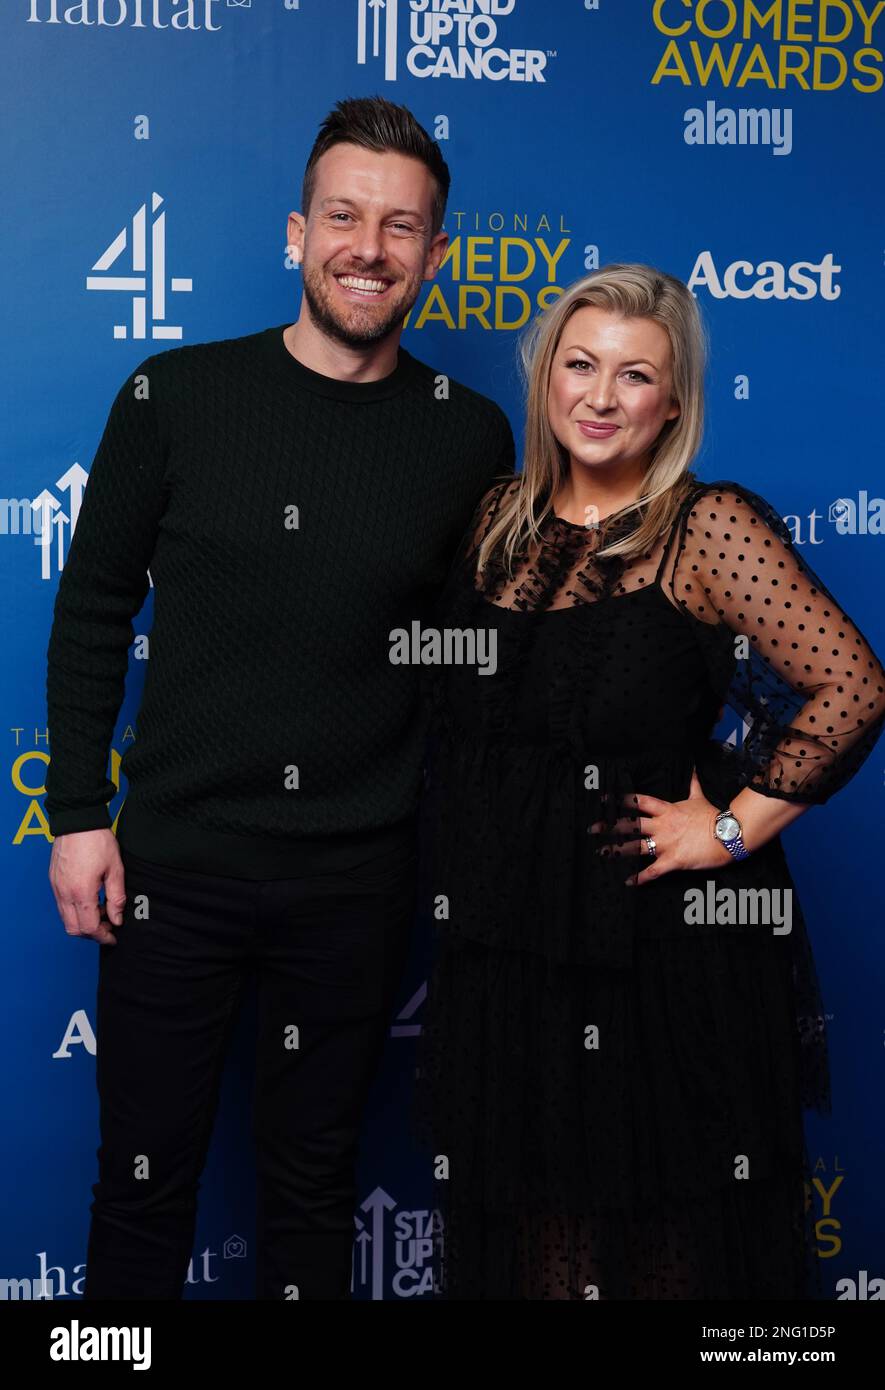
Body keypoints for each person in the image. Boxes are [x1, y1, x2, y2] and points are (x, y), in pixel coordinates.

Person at [44, 95, 514, 1300]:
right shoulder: (176, 397)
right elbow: (95, 606)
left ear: (435, 256)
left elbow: (482, 658)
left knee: (313, 1184)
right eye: (346, 216)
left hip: (355, 880)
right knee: (141, 1185)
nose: (371, 246)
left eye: (402, 226)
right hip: (175, 868)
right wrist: (80, 816)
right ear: (298, 233)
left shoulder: (471, 438)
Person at [411, 262, 885, 1300]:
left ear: (673, 402)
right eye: (580, 364)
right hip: (508, 956)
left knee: (670, 1243)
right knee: (538, 1247)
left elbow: (852, 687)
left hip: (655, 961)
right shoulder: (496, 521)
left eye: (635, 375)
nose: (600, 394)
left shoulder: (705, 527)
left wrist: (727, 832)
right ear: (546, 379)